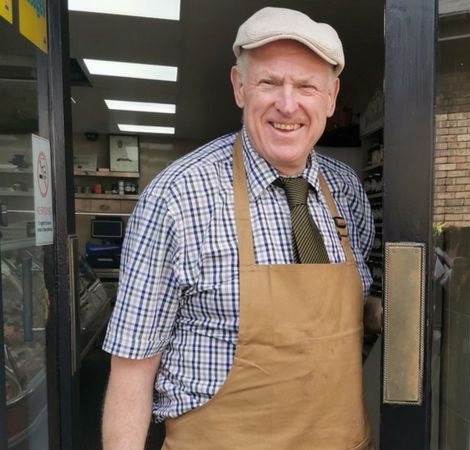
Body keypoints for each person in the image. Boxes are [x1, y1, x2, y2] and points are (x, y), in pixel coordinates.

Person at [101, 7, 376, 449]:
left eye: (306, 86)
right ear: (239, 86)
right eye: (270, 82)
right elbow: (133, 368)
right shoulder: (176, 198)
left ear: (330, 97)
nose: (288, 104)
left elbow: (346, 317)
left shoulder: (345, 190)